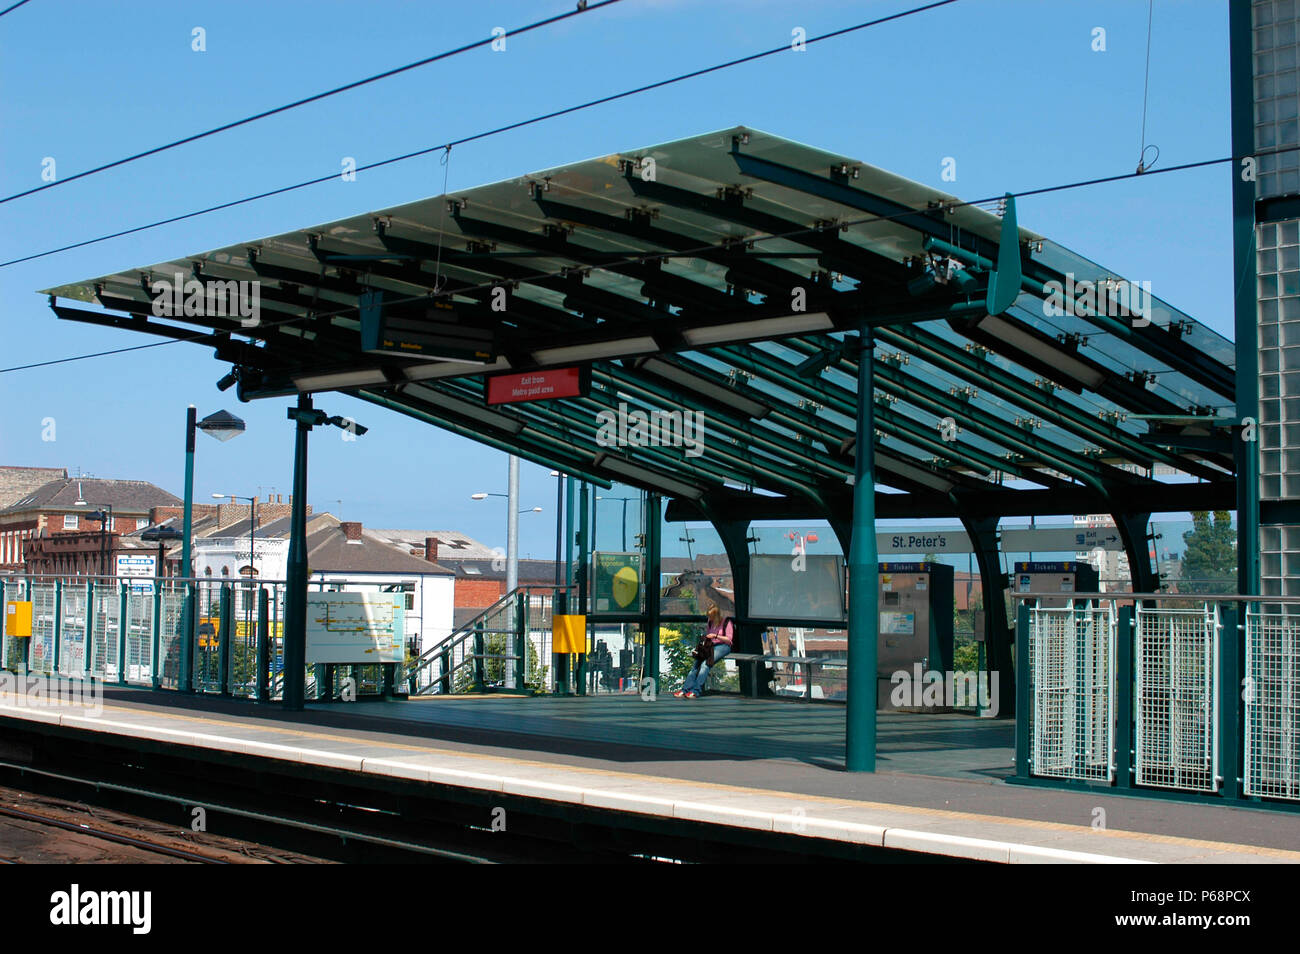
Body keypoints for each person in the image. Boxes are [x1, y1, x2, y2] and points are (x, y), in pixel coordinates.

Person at [675, 605, 735, 698]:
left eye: (711, 616)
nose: (709, 618)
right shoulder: (710, 622)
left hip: (723, 646)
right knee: (696, 665)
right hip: (710, 645)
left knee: (705, 664)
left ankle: (696, 690)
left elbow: (729, 640)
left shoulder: (727, 622)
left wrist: (716, 636)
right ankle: (685, 689)